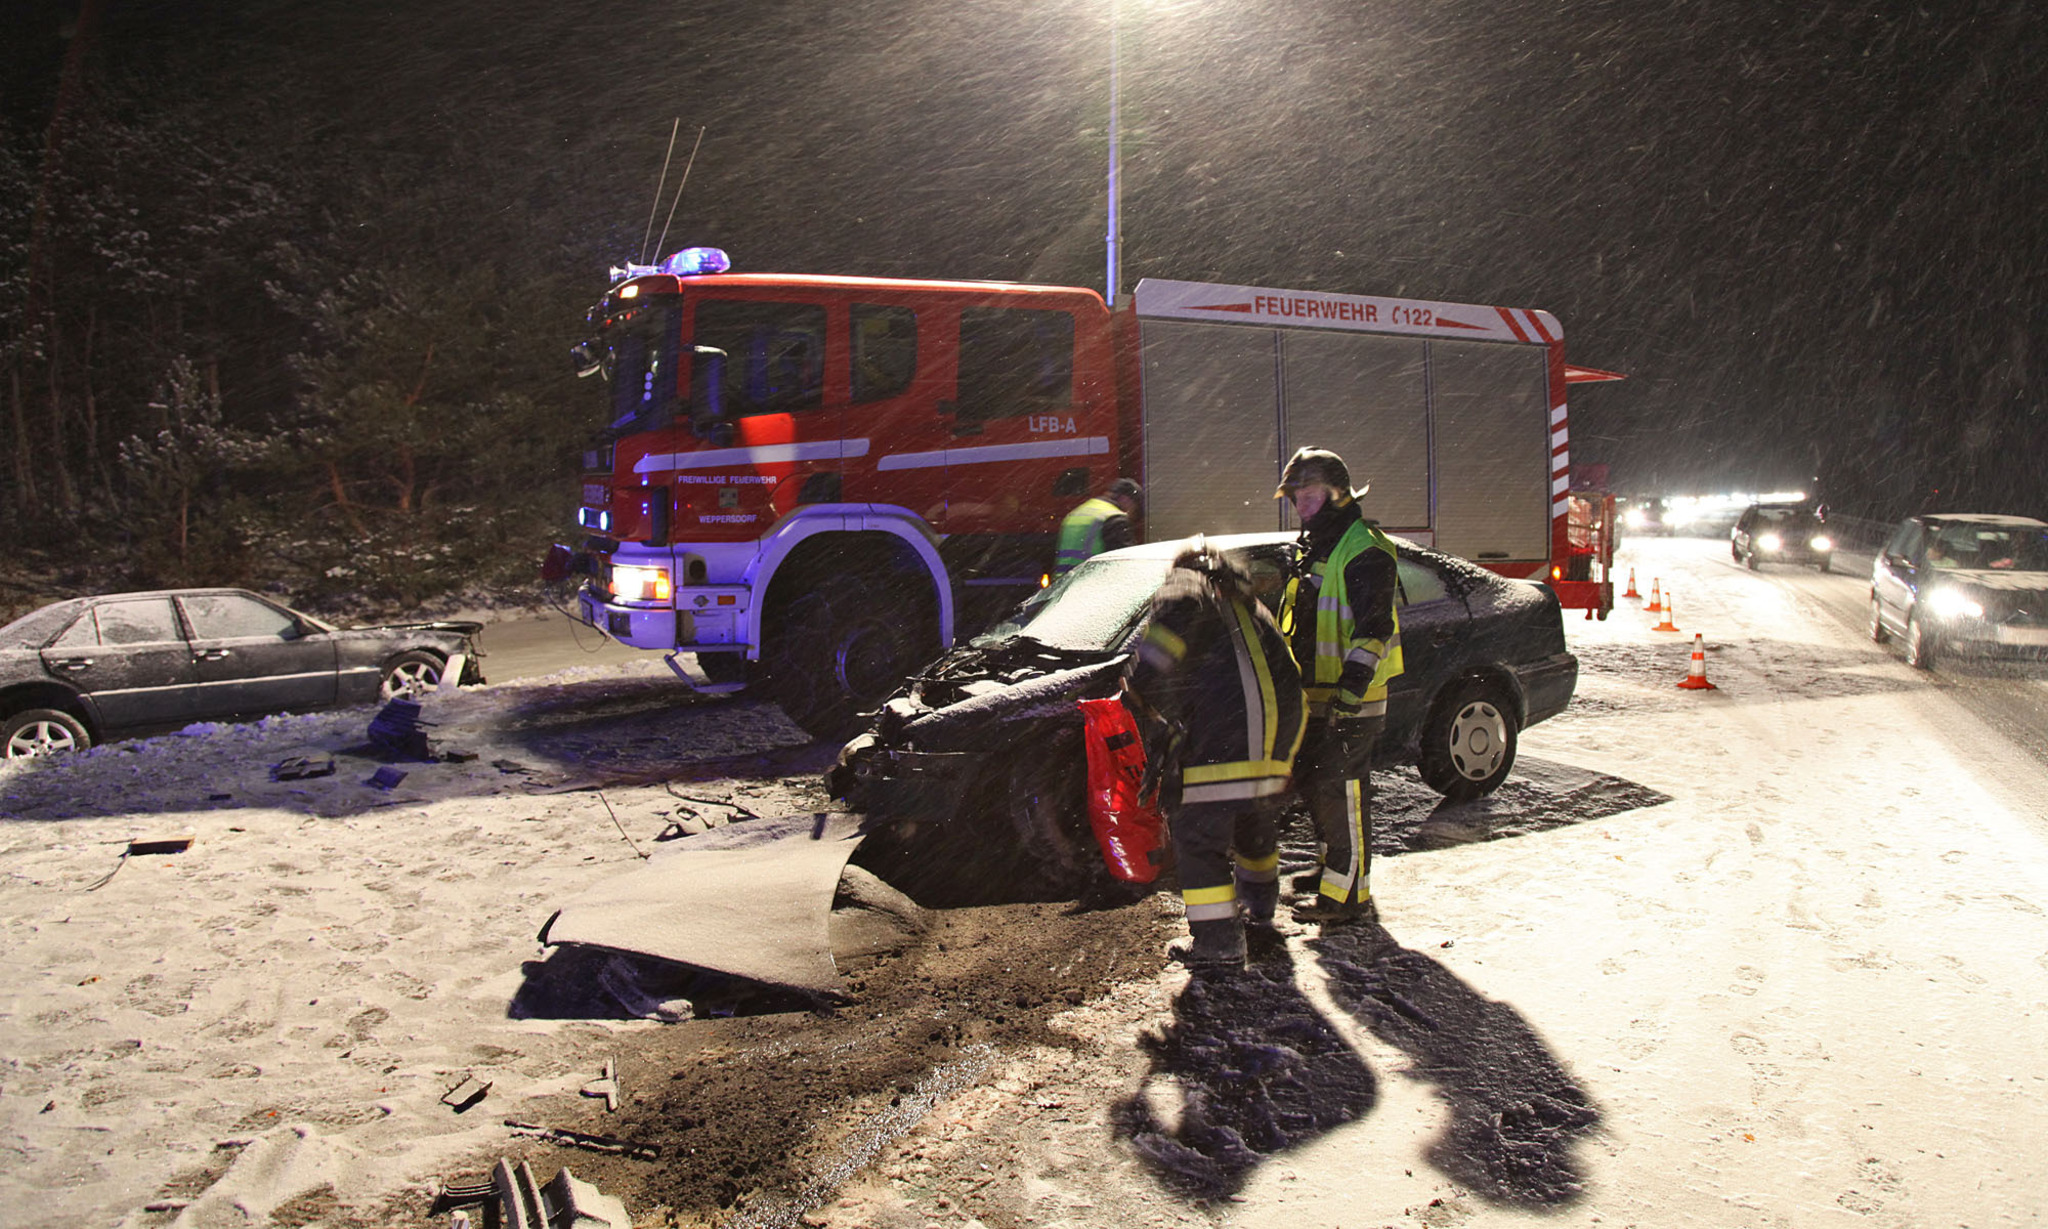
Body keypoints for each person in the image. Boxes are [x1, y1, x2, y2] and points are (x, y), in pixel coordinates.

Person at [1123, 543, 1306, 971]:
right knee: (1254, 827)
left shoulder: (1185, 589)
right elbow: (1288, 673)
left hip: (1220, 745)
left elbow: (1154, 660)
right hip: (1272, 745)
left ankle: (1218, 941)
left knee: (1198, 842)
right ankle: (1260, 909)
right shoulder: (1251, 607)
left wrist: (1136, 689)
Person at [1275, 446, 1403, 926]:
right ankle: (1332, 871)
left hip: (1353, 698)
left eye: (1305, 495)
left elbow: (1374, 630)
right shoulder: (1318, 544)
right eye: (1294, 497)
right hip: (1315, 697)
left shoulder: (1363, 546)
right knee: (1317, 787)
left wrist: (1350, 693)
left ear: (1334, 493)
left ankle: (1346, 897)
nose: (1299, 505)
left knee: (1342, 790)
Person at [1054, 478, 1142, 574]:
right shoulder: (1113, 518)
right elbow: (1124, 563)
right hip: (1090, 581)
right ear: (1126, 499)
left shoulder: (1076, 513)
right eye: (1134, 507)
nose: (1131, 513)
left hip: (1064, 583)